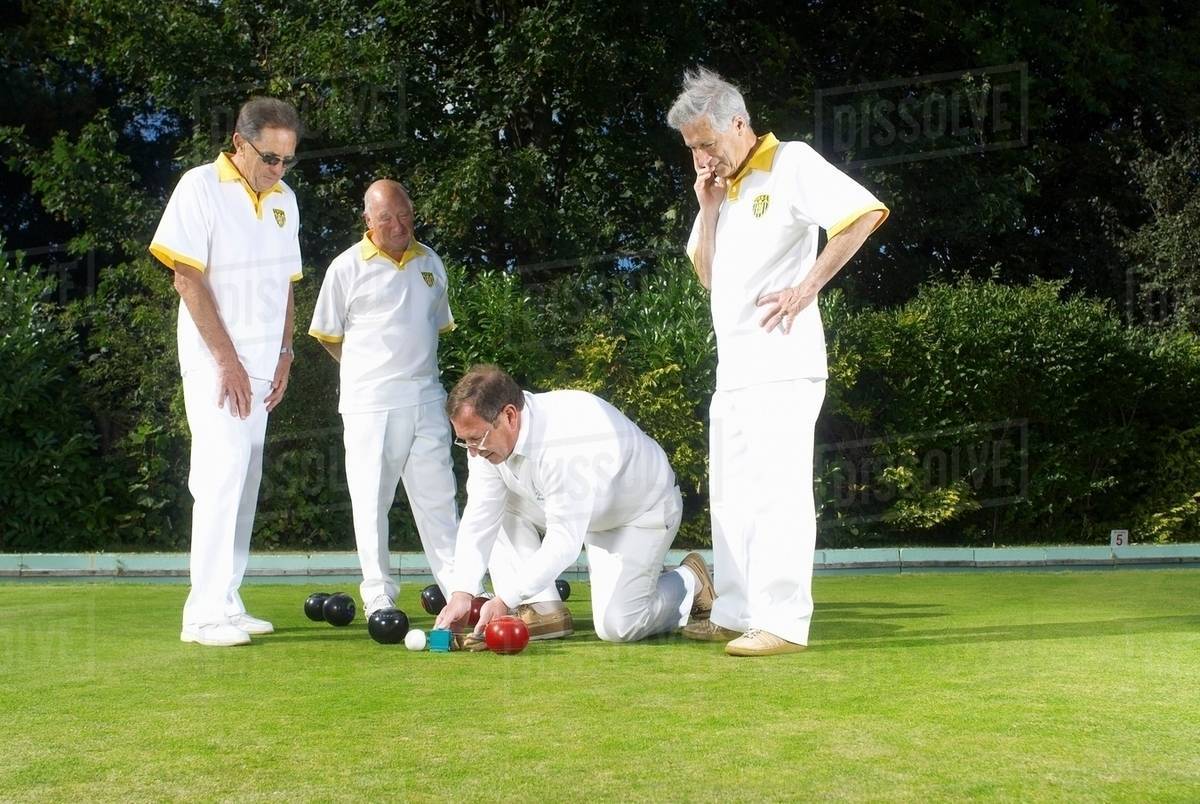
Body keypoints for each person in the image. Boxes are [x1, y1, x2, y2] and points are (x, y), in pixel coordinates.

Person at [667, 67, 888, 656]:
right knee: (733, 496)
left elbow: (863, 213)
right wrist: (708, 206)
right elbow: (710, 279)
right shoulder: (719, 188)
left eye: (707, 144)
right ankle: (736, 612)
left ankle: (784, 623)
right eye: (692, 149)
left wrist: (807, 286)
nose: (702, 157)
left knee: (778, 493)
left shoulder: (790, 163)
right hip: (734, 375)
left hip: (784, 365)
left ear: (738, 123)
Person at [149, 97, 303, 647]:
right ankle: (202, 614)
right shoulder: (198, 187)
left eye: (287, 159)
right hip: (217, 363)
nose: (277, 170)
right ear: (239, 142)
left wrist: (285, 354)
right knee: (219, 475)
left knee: (246, 479)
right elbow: (186, 279)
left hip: (263, 365)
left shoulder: (285, 201)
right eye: (269, 157)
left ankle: (228, 601)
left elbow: (286, 284)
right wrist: (230, 362)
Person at [433, 365, 716, 645]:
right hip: (592, 512)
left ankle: (690, 581)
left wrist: (504, 598)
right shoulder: (484, 444)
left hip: (642, 513)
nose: (473, 452)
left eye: (476, 439)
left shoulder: (562, 444)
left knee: (618, 626)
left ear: (509, 415)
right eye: (464, 441)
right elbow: (481, 515)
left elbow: (565, 542)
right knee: (499, 505)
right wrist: (462, 591)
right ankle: (542, 607)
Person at [307, 179, 461, 616]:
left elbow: (433, 327)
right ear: (368, 221)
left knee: (439, 497)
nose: (398, 225)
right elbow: (328, 336)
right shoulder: (345, 267)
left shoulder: (431, 262)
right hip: (369, 406)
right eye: (387, 218)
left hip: (427, 399)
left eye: (405, 215)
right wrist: (365, 374)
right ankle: (378, 593)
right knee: (370, 498)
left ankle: (460, 588)